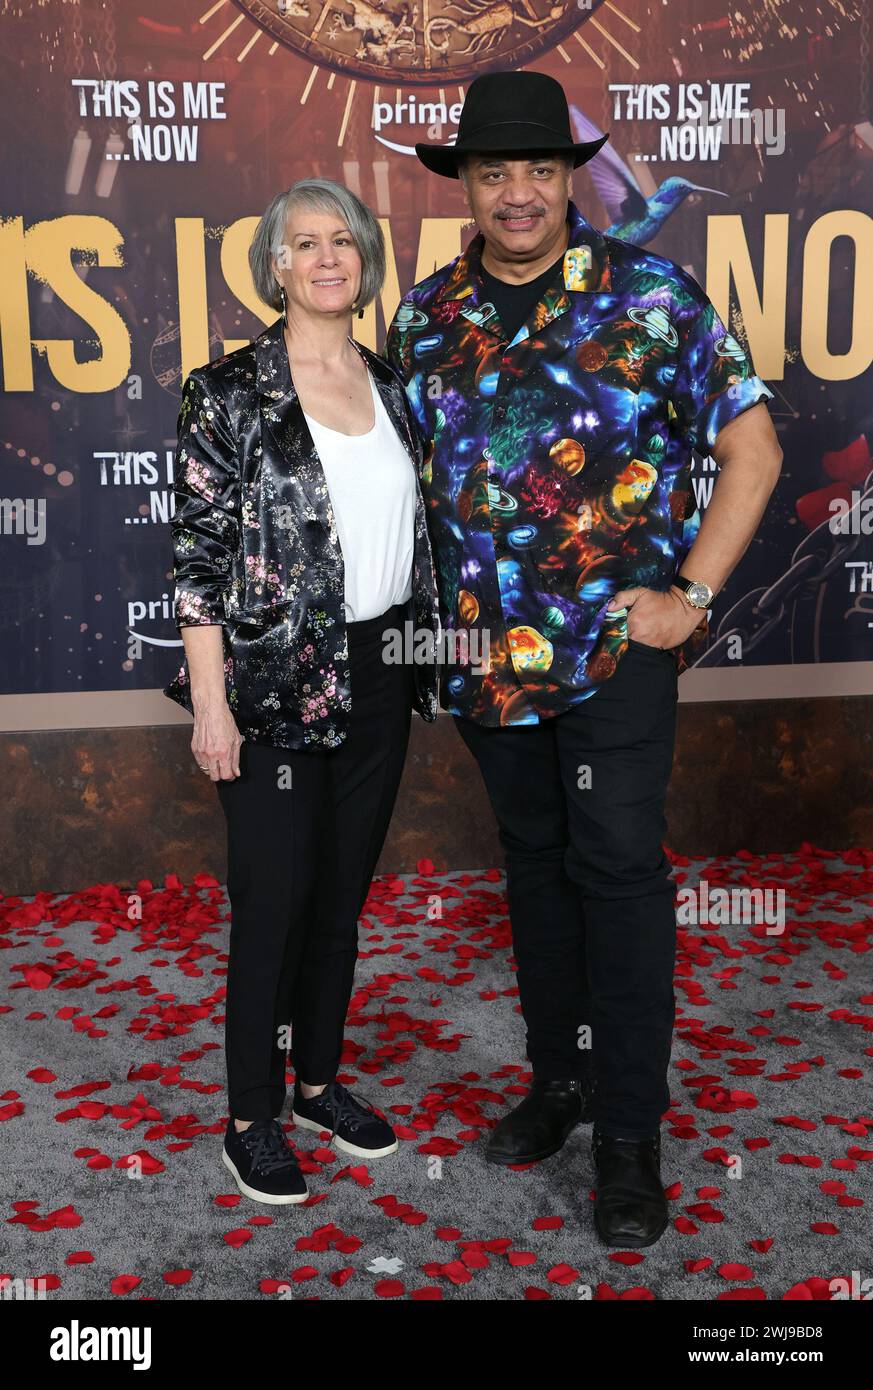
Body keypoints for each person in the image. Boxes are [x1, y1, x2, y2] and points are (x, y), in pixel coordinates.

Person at [385, 71, 783, 1247]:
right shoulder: (424, 315)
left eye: (538, 169)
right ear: (464, 184)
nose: (517, 193)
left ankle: (628, 1138)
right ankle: (559, 1080)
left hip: (616, 654)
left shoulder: (651, 296)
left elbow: (755, 449)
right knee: (535, 870)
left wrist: (691, 597)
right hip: (482, 659)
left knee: (616, 875)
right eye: (493, 172)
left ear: (571, 178)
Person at [164, 178, 440, 1205]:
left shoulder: (394, 385)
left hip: (381, 669)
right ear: (275, 266)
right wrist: (212, 705)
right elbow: (197, 564)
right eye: (305, 244)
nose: (328, 258)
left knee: (341, 894)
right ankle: (251, 1118)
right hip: (271, 677)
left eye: (344, 242)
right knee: (273, 902)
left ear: (365, 261)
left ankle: (318, 1082)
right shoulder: (228, 391)